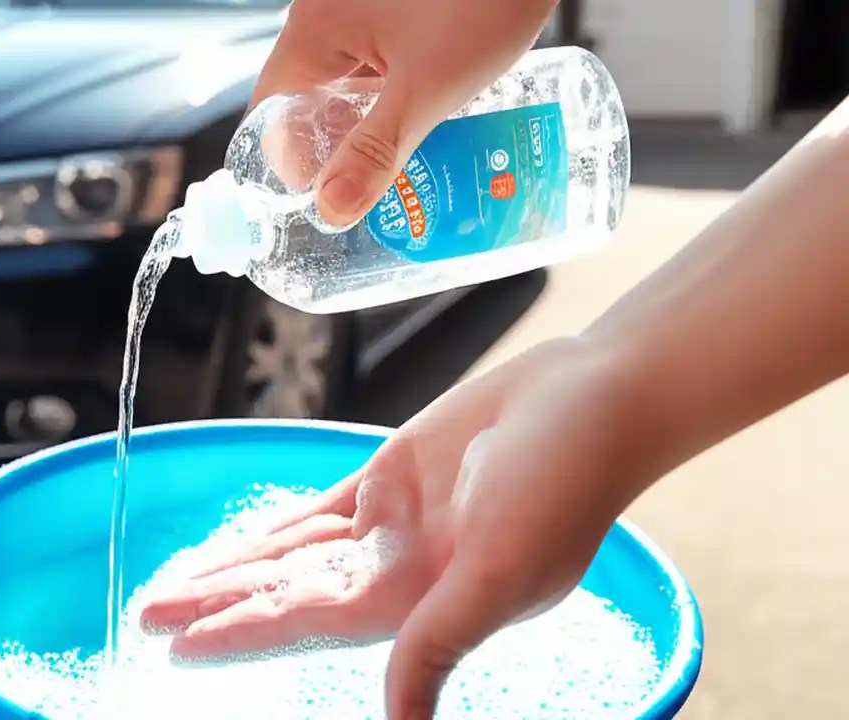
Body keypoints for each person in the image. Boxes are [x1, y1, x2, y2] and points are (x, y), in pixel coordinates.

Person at [139, 0, 849, 717]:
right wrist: (611, 379)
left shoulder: (282, 224)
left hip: (552, 132)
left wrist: (620, 391)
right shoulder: (284, 258)